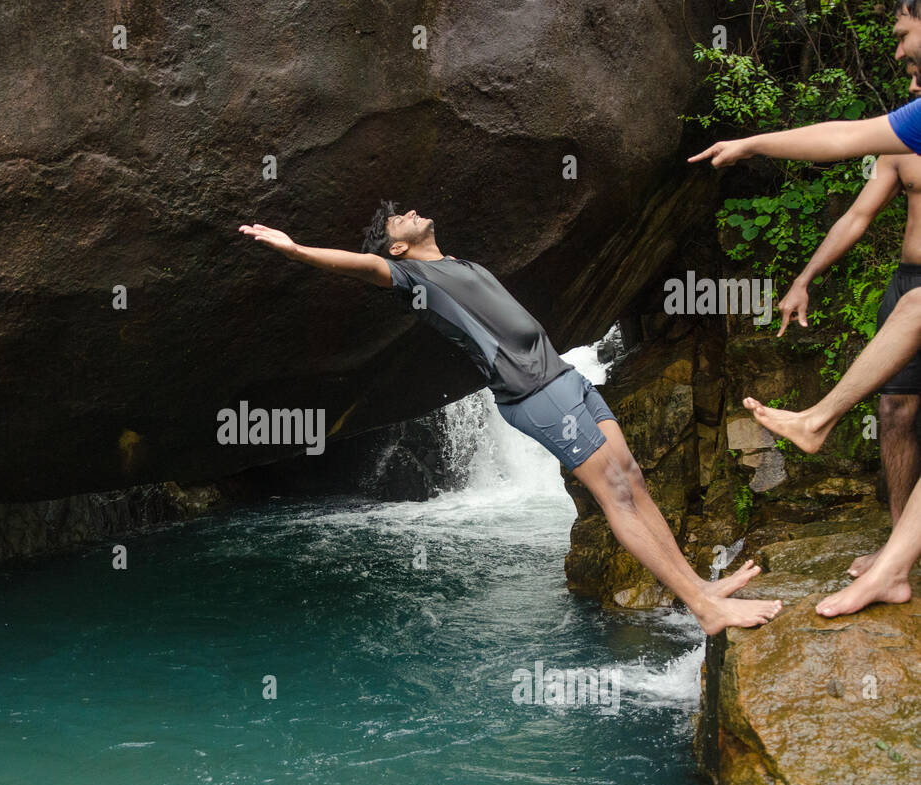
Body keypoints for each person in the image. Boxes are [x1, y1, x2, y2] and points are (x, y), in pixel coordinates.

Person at [237, 205, 783, 635]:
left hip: (564, 377)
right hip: (534, 393)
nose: (409, 212)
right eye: (396, 220)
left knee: (633, 478)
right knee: (616, 492)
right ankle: (701, 607)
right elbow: (360, 266)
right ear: (397, 247)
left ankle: (700, 588)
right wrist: (296, 250)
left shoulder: (460, 265)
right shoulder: (411, 279)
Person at [688, 0, 921, 615]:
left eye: (902, 36)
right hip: (914, 282)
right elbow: (844, 141)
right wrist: (753, 143)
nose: (898, 54)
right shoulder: (913, 130)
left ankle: (818, 423)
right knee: (903, 379)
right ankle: (895, 561)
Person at [775, 150, 921, 579]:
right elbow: (857, 216)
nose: (914, 89)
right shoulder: (902, 145)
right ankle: (897, 545)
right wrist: (804, 278)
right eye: (912, 79)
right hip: (908, 283)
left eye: (920, 79)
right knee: (894, 411)